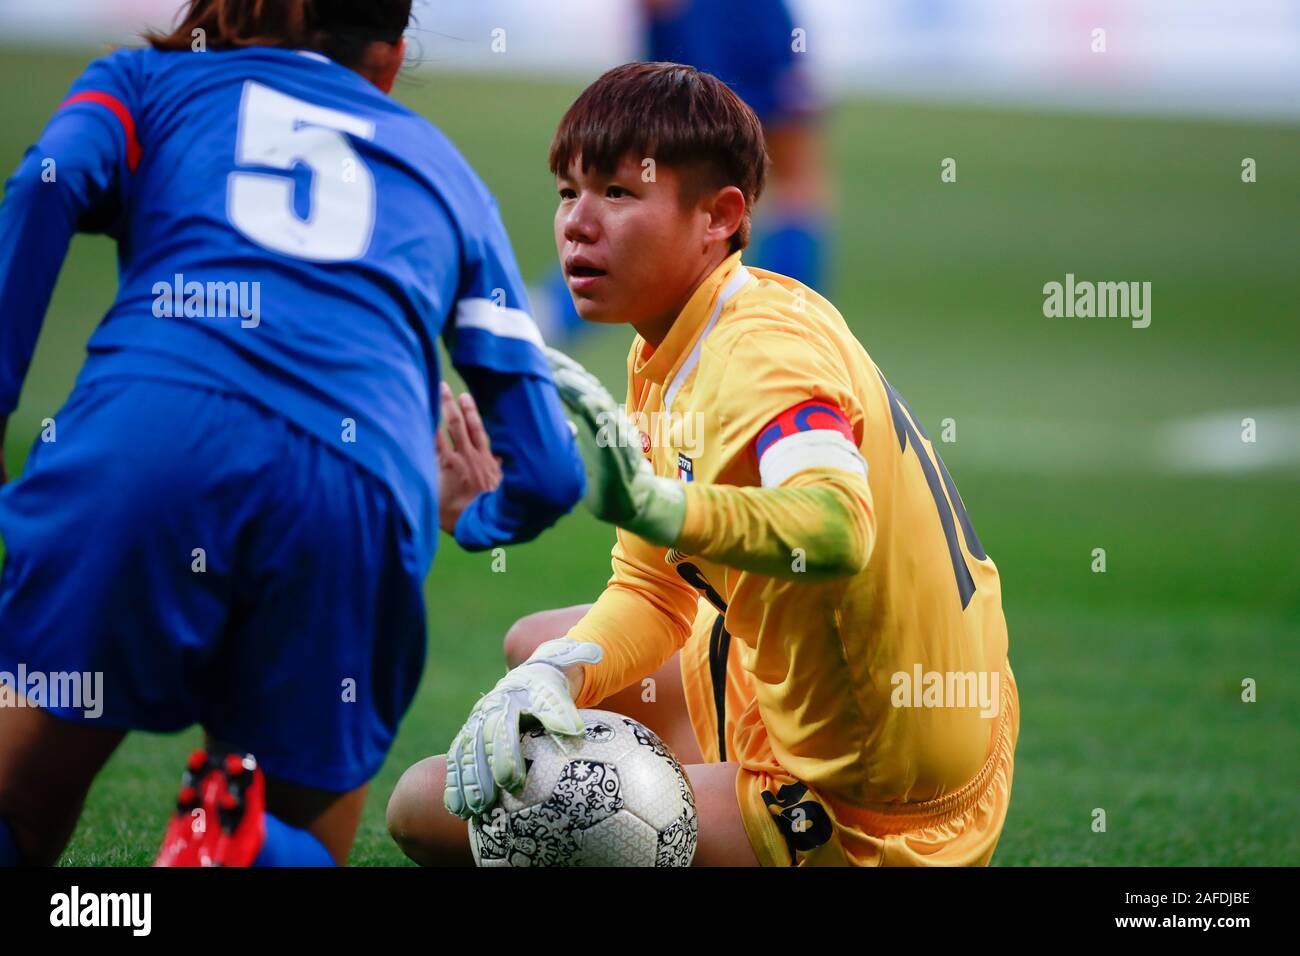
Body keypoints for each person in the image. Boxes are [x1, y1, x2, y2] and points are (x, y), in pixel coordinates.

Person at [387, 62, 1017, 867]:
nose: (577, 223)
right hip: (856, 699)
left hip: (871, 804)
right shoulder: (684, 334)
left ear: (719, 216)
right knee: (532, 648)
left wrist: (661, 508)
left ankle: (676, 811)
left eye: (616, 193)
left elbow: (835, 525)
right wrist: (546, 677)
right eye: (567, 192)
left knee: (418, 806)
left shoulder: (761, 357)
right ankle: (664, 792)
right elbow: (652, 589)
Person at [0, 0, 583, 867]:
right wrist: (473, 515)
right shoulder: (446, 171)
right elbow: (547, 469)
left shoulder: (141, 84)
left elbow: (42, 188)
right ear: (388, 61)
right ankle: (229, 846)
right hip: (353, 494)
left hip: (145, 448)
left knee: (19, 816)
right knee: (282, 839)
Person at [532, 0, 830, 344]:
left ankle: (554, 312)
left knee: (768, 177)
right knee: (783, 181)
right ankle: (785, 322)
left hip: (725, 24)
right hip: (729, 25)